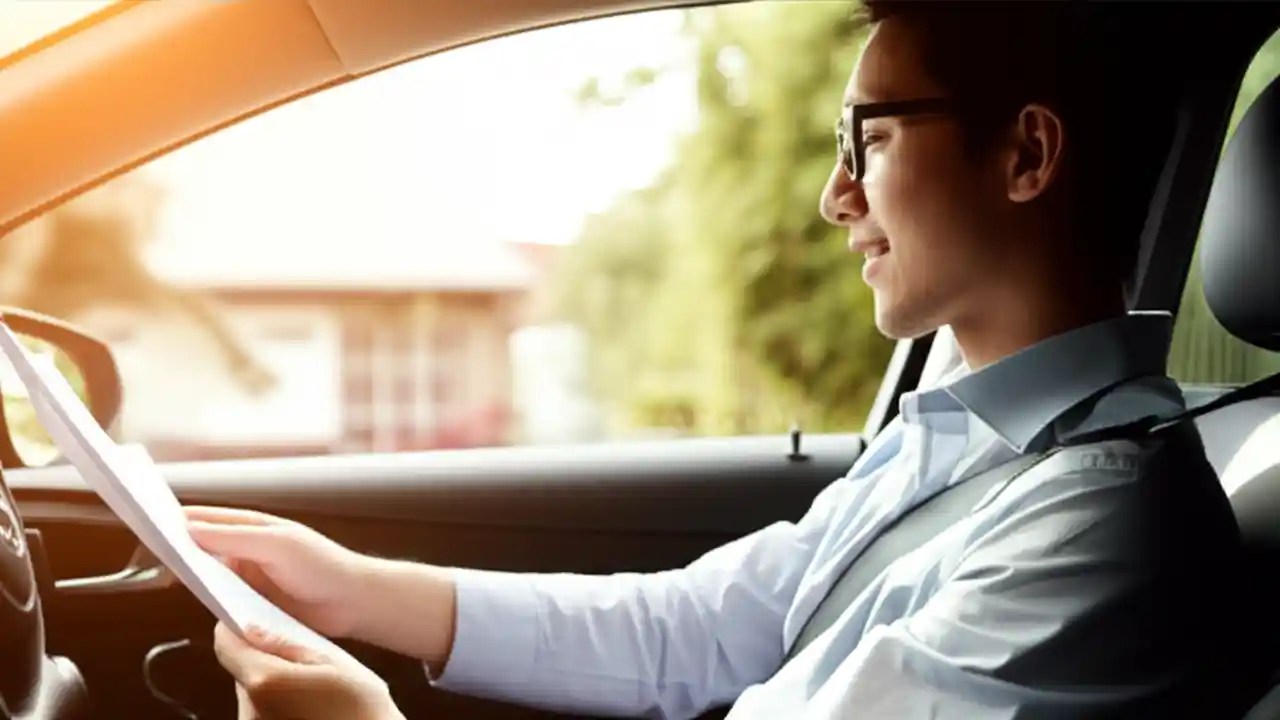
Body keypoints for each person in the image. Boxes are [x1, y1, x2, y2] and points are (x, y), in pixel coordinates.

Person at [187, 2, 1248, 718]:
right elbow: (694, 628)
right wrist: (356, 591)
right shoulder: (960, 442)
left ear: (1023, 155)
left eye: (867, 141)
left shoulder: (1102, 530)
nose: (834, 199)